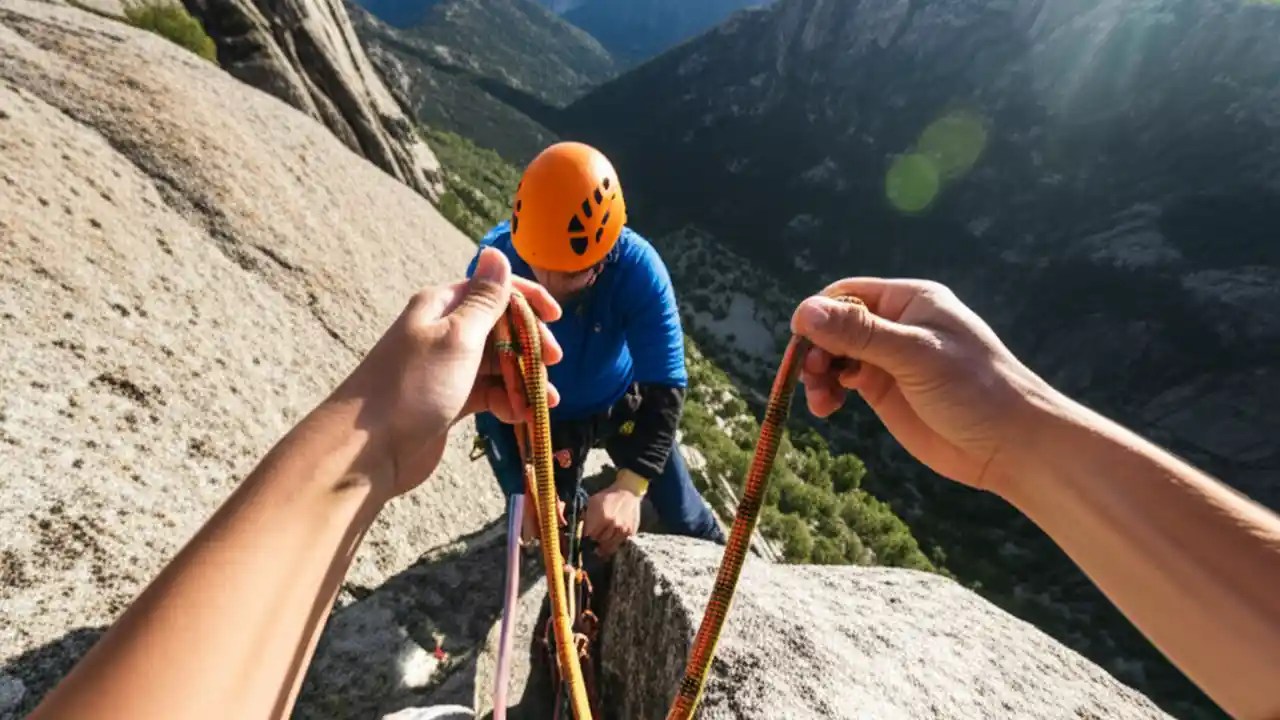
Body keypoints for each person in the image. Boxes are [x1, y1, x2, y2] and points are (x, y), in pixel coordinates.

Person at [27, 260, 1280, 720]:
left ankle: (662, 551)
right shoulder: (513, 262)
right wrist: (1020, 439)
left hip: (619, 415)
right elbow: (503, 413)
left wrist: (623, 481)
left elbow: (668, 392)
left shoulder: (631, 269)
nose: (568, 283)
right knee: (537, 499)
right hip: (540, 408)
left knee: (670, 511)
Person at [465, 141, 724, 556]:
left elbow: (665, 384)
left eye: (569, 274)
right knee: (560, 535)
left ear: (605, 256)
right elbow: (488, 386)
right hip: (550, 419)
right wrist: (518, 488)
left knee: (686, 515)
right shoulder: (496, 266)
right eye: (539, 266)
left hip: (623, 406)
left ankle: (723, 559)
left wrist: (631, 486)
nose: (549, 286)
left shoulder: (637, 268)